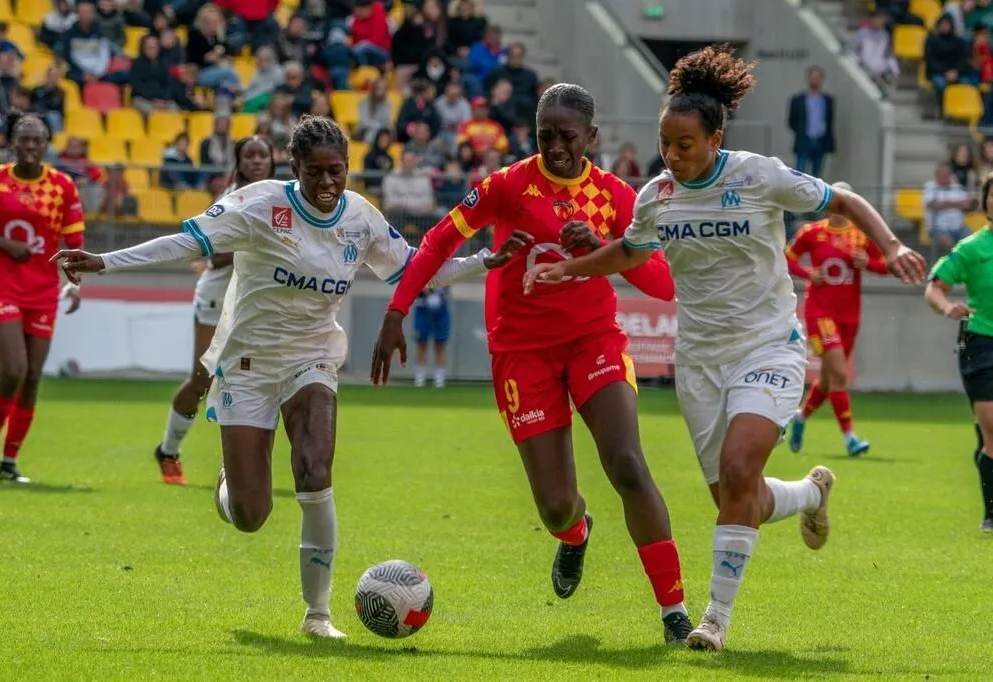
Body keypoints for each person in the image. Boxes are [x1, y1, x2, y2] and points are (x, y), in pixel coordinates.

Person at [53, 115, 527, 639]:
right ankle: (230, 486)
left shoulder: (360, 218)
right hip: (249, 364)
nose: (327, 184)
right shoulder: (260, 206)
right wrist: (103, 260)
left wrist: (485, 260)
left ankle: (317, 615)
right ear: (295, 169)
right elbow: (185, 243)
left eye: (337, 172)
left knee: (315, 467)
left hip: (314, 356)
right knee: (251, 516)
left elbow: (414, 268)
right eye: (315, 173)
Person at [522, 47, 927, 651]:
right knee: (742, 499)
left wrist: (891, 246)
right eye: (666, 143)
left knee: (740, 471)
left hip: (768, 347)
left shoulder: (759, 175)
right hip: (700, 362)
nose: (673, 155)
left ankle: (713, 621)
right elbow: (632, 252)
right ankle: (812, 493)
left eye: (685, 144)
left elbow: (843, 201)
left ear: (716, 138)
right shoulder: (657, 195)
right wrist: (574, 268)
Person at [372, 83, 696, 646]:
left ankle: (674, 613)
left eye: (568, 137)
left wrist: (601, 245)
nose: (556, 147)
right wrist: (397, 310)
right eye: (545, 135)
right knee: (554, 506)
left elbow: (664, 283)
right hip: (521, 353)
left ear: (591, 137)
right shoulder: (507, 185)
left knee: (626, 462)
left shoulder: (618, 196)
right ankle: (575, 535)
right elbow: (438, 242)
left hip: (593, 339)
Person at [0, 110, 85, 484]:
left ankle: (9, 462)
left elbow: (74, 242)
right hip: (0, 285)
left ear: (47, 143)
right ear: (12, 142)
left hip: (42, 290)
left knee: (33, 377)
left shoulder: (63, 186)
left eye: (38, 139)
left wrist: (76, 281)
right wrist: (0, 242)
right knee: (13, 370)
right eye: (24, 138)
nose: (31, 146)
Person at [153, 136, 275, 486]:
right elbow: (217, 254)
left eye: (261, 155)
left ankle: (237, 467)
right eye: (249, 155)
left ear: (272, 161)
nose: (256, 161)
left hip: (250, 302)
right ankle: (168, 449)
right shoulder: (232, 200)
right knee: (202, 378)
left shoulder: (281, 197)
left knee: (250, 379)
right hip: (216, 297)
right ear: (238, 163)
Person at [785, 181, 890, 457]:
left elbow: (884, 265)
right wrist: (809, 273)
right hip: (820, 312)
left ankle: (800, 417)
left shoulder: (861, 236)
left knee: (830, 380)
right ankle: (850, 438)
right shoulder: (811, 233)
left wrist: (867, 263)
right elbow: (787, 258)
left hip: (850, 314)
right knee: (840, 374)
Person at [925, 172, 993, 533]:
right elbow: (935, 288)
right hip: (982, 346)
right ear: (985, 202)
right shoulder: (971, 249)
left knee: (988, 438)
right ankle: (991, 516)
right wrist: (946, 306)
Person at [413, 286, 450, 387]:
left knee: (440, 343)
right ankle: (419, 379)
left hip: (441, 305)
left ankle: (440, 379)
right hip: (422, 305)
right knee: (421, 342)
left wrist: (439, 293)